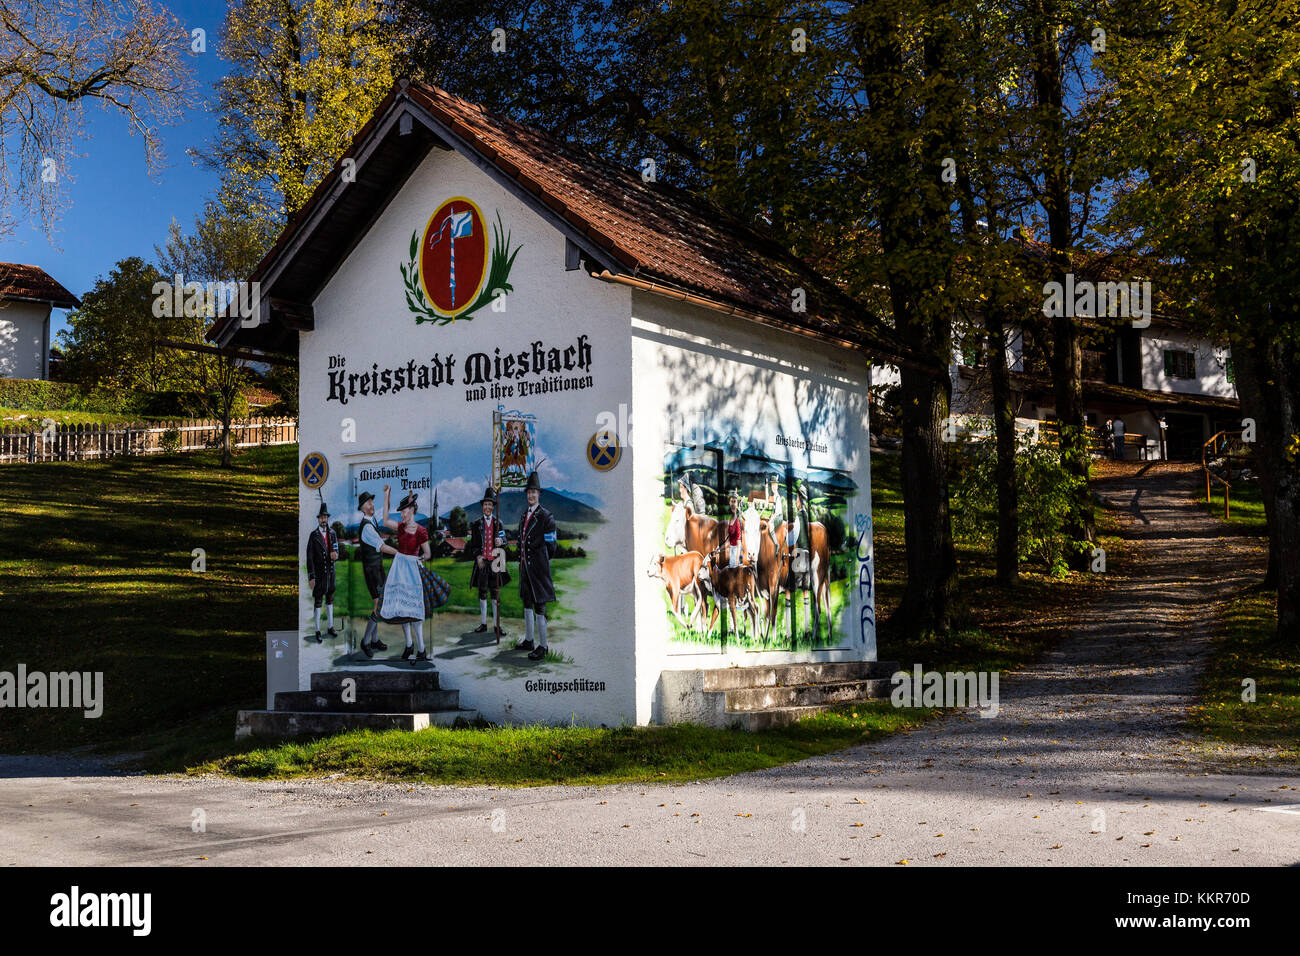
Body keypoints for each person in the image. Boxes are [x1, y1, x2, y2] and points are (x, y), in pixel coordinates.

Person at [380, 488, 432, 662]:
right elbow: (386, 520)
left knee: (414, 610)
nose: (401, 514)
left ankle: (422, 649)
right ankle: (409, 645)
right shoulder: (401, 528)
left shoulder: (421, 531)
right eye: (401, 511)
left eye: (404, 511)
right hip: (398, 569)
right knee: (401, 608)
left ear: (412, 510)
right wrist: (387, 495)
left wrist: (420, 559)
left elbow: (428, 553)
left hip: (412, 570)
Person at [515, 470, 558, 662]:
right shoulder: (525, 514)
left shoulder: (546, 517)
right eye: (528, 492)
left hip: (539, 570)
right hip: (525, 569)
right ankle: (529, 640)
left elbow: (552, 546)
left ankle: (543, 646)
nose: (531, 495)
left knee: (540, 607)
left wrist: (540, 561)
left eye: (534, 492)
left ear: (539, 494)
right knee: (526, 603)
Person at [356, 490, 397, 658]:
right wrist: (399, 553)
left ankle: (374, 640)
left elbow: (384, 509)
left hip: (377, 568)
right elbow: (381, 547)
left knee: (378, 605)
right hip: (372, 571)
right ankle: (366, 641)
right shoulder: (366, 527)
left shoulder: (371, 520)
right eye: (368, 503)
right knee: (378, 606)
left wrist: (387, 494)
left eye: (372, 502)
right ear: (362, 508)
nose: (372, 505)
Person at [468, 485, 510, 641]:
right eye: (485, 504)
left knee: (495, 593)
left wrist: (502, 541)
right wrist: (478, 556)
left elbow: (504, 539)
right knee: (482, 592)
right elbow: (473, 546)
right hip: (483, 563)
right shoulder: (476, 524)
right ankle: (484, 623)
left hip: (496, 562)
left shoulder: (499, 523)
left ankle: (497, 625)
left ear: (493, 507)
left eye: (490, 504)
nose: (487, 507)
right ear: (482, 506)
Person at [305, 502, 339, 643]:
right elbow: (310, 557)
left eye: (325, 517)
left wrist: (336, 555)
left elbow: (336, 550)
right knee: (318, 601)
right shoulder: (314, 536)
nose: (323, 520)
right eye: (321, 517)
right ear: (318, 519)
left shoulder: (333, 534)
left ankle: (330, 627)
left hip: (331, 573)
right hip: (319, 574)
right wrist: (311, 576)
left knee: (330, 600)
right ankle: (318, 630)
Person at [725, 490, 743, 568]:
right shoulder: (729, 518)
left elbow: (739, 543)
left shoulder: (738, 521)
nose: (732, 504)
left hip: (736, 551)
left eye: (734, 502)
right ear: (729, 503)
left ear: (737, 504)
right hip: (730, 550)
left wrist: (736, 561)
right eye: (731, 501)